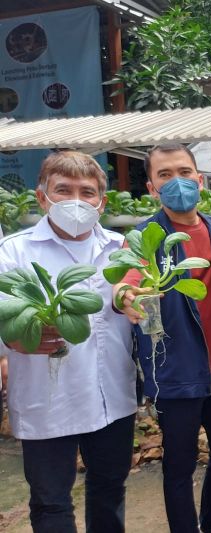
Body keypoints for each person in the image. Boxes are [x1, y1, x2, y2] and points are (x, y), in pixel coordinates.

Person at [0, 151, 136, 533]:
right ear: (42, 197)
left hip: (112, 399)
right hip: (48, 399)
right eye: (63, 190)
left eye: (87, 192)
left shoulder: (120, 248)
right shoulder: (14, 251)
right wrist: (15, 340)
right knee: (50, 502)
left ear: (102, 202)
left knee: (109, 490)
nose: (76, 201)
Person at [113, 143, 211, 533]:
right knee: (179, 463)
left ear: (200, 180)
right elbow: (127, 282)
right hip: (175, 371)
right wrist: (124, 296)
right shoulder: (145, 237)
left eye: (185, 172)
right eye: (165, 175)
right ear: (152, 188)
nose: (177, 182)